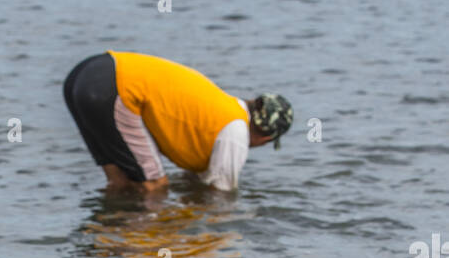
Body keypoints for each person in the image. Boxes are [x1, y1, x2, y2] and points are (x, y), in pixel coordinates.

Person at [63, 51, 292, 192]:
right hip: (113, 88)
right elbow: (220, 196)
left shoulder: (219, 107)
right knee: (155, 186)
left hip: (83, 76)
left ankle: (108, 242)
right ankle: (135, 252)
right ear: (267, 137)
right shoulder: (236, 132)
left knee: (120, 182)